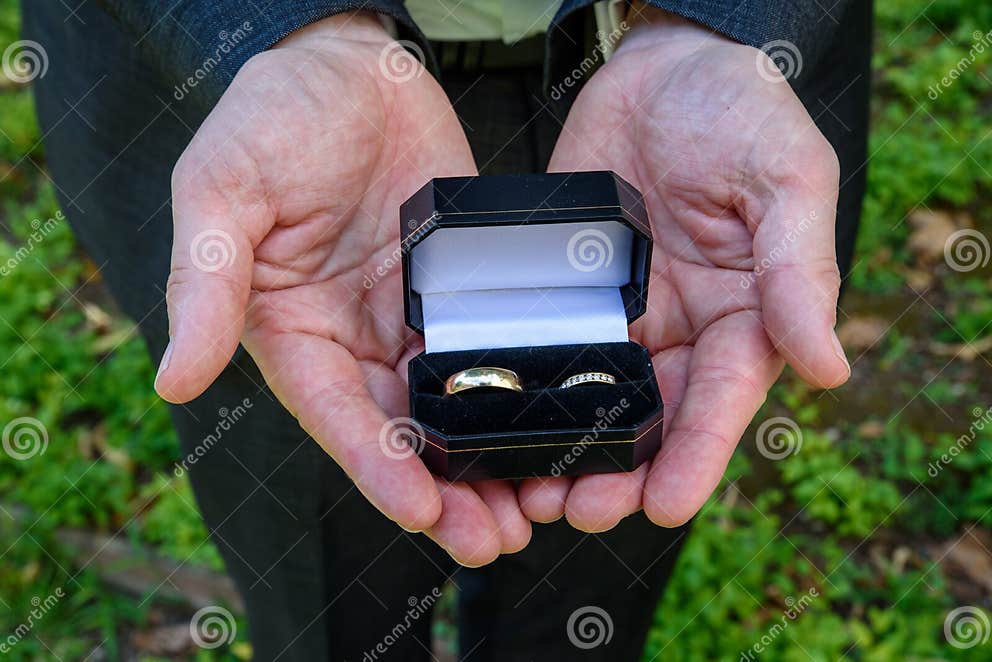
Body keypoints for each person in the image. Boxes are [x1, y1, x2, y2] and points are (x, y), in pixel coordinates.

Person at [23, 0, 870, 658]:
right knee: (324, 584)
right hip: (269, 116)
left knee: (596, 588)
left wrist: (711, 22)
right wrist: (296, 33)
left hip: (692, 103)